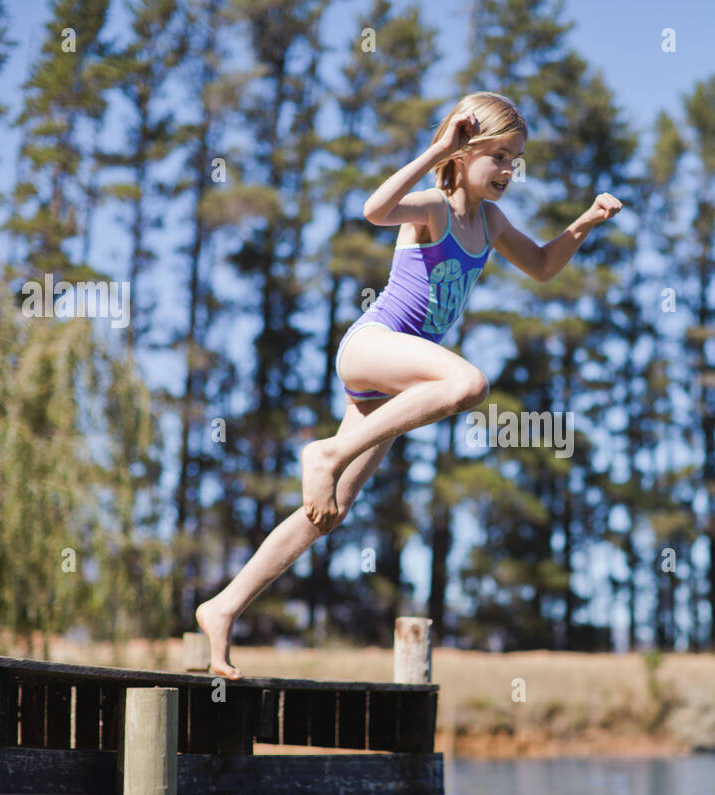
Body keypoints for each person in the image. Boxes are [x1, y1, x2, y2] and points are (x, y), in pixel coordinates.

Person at [196, 90, 623, 678]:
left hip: (395, 384)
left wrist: (586, 222)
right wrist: (434, 151)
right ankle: (326, 452)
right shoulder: (436, 209)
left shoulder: (490, 221)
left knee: (331, 510)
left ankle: (222, 609)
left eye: (515, 160)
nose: (507, 171)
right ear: (464, 149)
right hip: (371, 348)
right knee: (468, 382)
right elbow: (375, 210)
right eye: (497, 156)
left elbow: (545, 267)